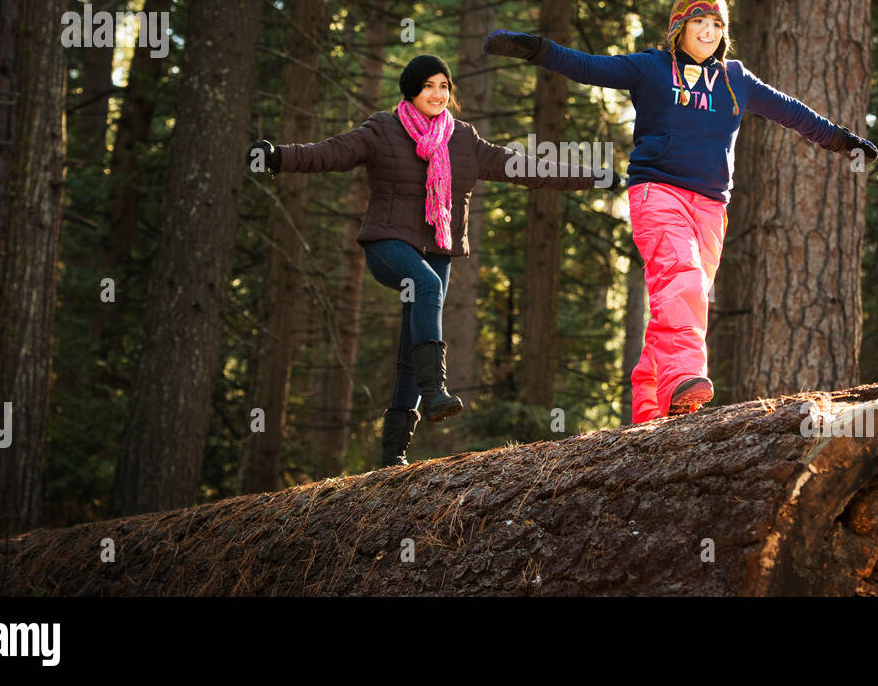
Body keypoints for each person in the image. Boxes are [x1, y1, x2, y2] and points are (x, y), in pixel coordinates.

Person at [484, 0, 878, 424]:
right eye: (699, 22)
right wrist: (536, 49)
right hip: (657, 193)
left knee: (676, 303)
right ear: (679, 27)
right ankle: (685, 378)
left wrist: (842, 141)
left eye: (716, 25)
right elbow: (587, 66)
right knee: (681, 279)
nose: (708, 32)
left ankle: (649, 414)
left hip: (711, 208)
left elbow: (793, 112)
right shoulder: (650, 68)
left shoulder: (735, 79)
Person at [248, 54, 618, 467]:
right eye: (428, 86)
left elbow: (525, 166)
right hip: (388, 245)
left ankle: (393, 451)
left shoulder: (463, 140)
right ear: (410, 90)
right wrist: (278, 156)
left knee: (412, 342)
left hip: (438, 249)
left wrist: (595, 176)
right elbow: (331, 152)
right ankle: (435, 391)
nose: (438, 94)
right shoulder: (383, 129)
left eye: (444, 86)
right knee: (426, 286)